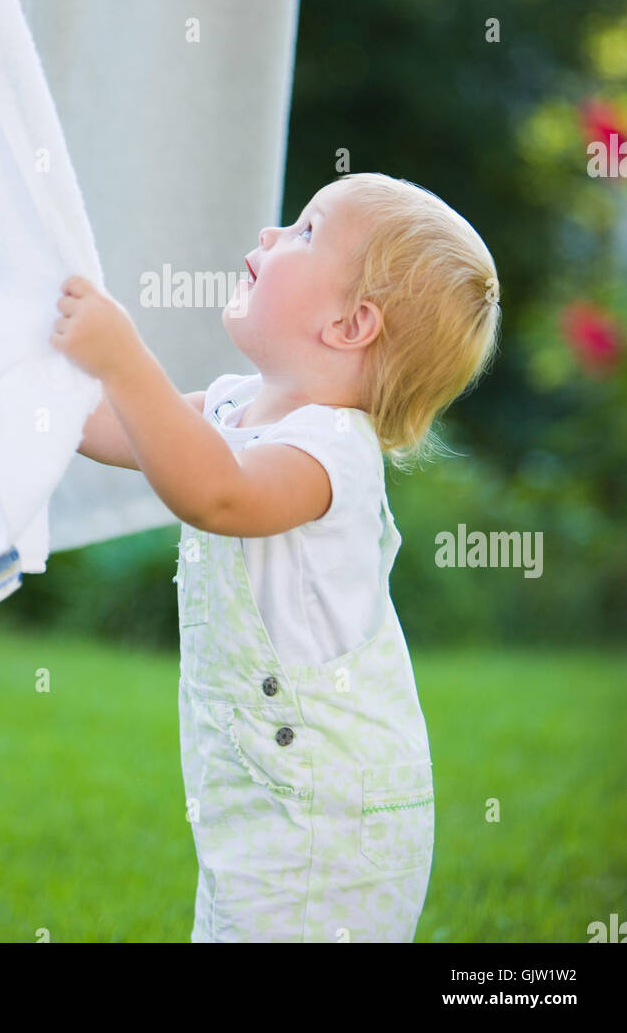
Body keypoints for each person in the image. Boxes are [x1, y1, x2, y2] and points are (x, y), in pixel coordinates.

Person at [50, 171, 501, 943]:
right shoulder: (234, 403)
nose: (271, 233)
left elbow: (216, 493)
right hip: (261, 794)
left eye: (306, 231)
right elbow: (104, 427)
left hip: (332, 820)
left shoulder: (332, 453)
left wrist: (124, 358)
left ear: (352, 324)